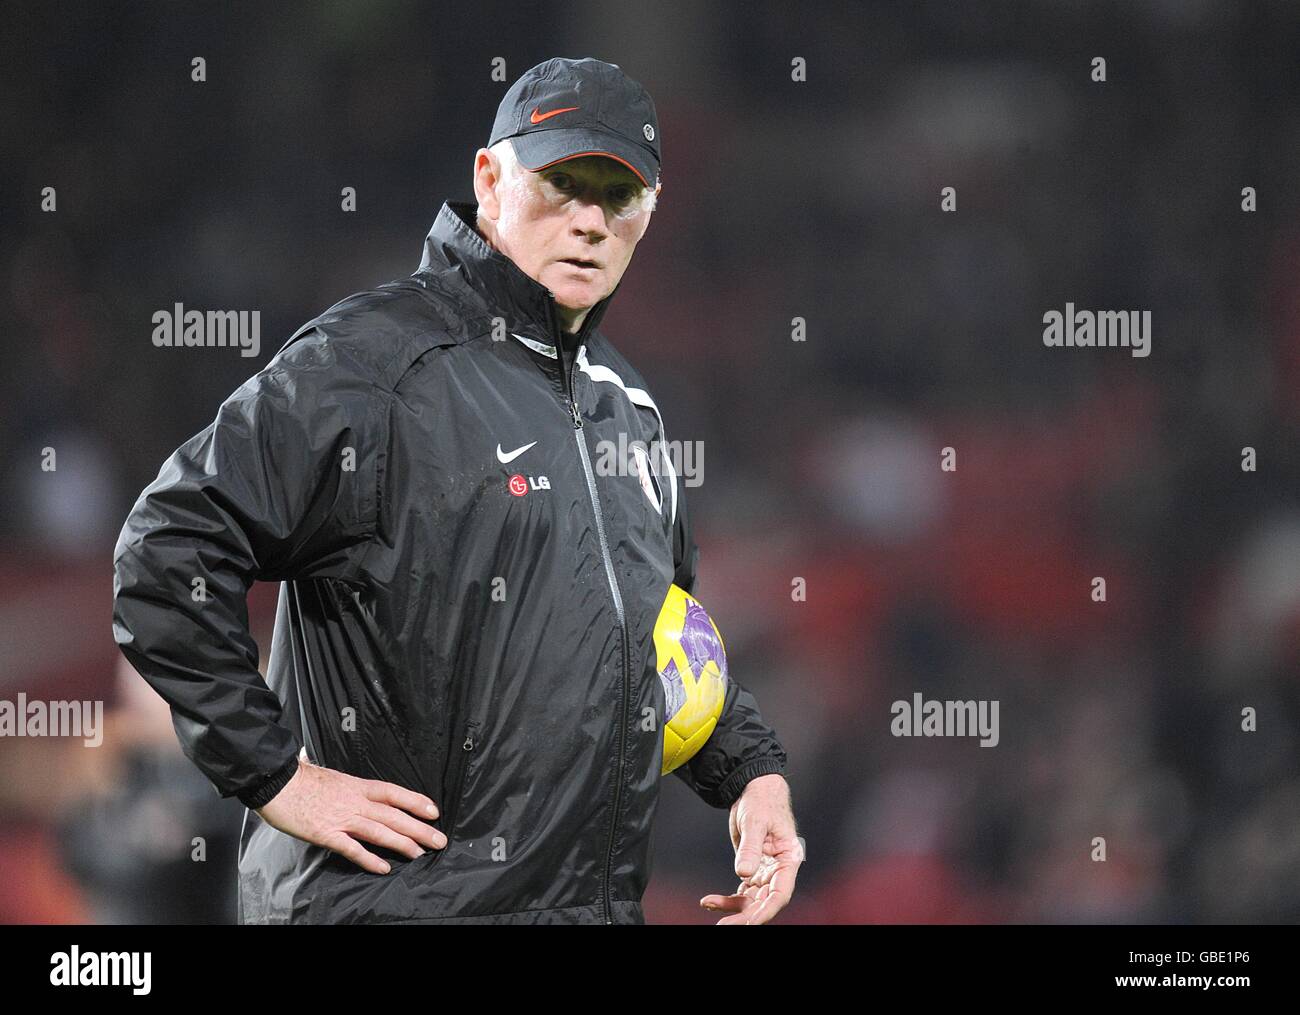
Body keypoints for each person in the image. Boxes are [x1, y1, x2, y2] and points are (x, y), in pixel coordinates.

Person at [112, 56, 800, 925]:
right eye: (561, 182)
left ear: (649, 215)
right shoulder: (374, 364)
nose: (588, 220)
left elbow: (652, 640)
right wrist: (275, 775)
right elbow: (167, 549)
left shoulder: (629, 411)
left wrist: (753, 774)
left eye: (616, 195)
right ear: (489, 179)